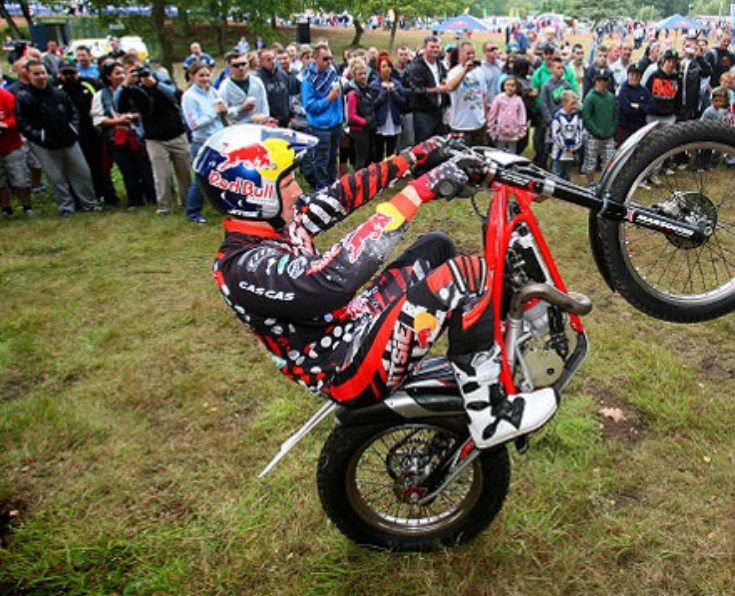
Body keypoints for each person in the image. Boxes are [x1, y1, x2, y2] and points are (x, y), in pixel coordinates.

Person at [195, 126, 557, 448]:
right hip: (344, 368)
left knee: (437, 246)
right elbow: (333, 278)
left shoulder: (277, 226)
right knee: (465, 275)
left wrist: (415, 156)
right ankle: (489, 416)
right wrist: (418, 191)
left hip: (353, 327)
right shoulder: (242, 267)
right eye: (286, 184)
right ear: (250, 194)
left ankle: (497, 351)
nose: (296, 192)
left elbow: (343, 194)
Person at [17, 60, 102, 218]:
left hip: (69, 140)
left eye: (43, 72)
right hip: (44, 145)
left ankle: (89, 203)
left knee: (82, 172)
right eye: (36, 73)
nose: (41, 76)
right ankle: (66, 207)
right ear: (28, 75)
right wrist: (39, 136)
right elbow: (23, 123)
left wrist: (73, 130)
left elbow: (73, 113)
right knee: (56, 178)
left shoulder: (58, 93)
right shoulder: (24, 97)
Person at [117, 65, 193, 215]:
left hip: (176, 134)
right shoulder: (134, 90)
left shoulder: (162, 81)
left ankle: (186, 202)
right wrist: (125, 85)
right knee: (161, 176)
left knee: (184, 173)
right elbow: (120, 105)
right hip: (154, 139)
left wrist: (155, 84)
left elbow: (175, 96)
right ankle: (165, 207)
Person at [91, 61, 155, 210]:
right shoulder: (101, 95)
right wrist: (117, 120)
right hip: (116, 137)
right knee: (127, 169)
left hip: (137, 134)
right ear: (108, 76)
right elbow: (98, 119)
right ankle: (134, 200)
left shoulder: (135, 90)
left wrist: (134, 116)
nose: (121, 76)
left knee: (145, 166)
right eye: (117, 73)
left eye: (123, 73)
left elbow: (146, 109)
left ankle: (152, 196)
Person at [56, 61, 118, 207]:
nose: (69, 76)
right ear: (60, 74)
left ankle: (106, 195)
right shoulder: (56, 88)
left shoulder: (90, 84)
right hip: (69, 135)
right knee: (74, 170)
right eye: (65, 73)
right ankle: (80, 199)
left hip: (92, 134)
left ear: (77, 72)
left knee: (99, 167)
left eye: (72, 72)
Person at [181, 61, 228, 223]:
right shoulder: (189, 97)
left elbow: (222, 113)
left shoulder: (213, 92)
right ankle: (193, 211)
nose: (205, 79)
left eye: (207, 75)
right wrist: (214, 113)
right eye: (201, 75)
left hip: (219, 140)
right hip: (202, 142)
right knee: (201, 178)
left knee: (221, 176)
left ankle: (223, 206)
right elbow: (193, 124)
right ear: (192, 76)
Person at [300, 44, 344, 189]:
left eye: (330, 58)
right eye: (325, 59)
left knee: (332, 158)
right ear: (315, 59)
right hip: (320, 126)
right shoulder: (308, 80)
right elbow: (310, 106)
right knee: (321, 160)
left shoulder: (332, 72)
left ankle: (332, 187)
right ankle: (322, 188)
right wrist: (328, 99)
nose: (329, 62)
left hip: (335, 123)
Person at [445, 41, 489, 147]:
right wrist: (465, 71)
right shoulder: (454, 72)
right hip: (461, 125)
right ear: (460, 54)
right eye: (468, 53)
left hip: (478, 124)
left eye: (473, 53)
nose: (471, 56)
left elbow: (483, 95)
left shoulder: (480, 72)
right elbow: (450, 87)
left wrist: (485, 116)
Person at [405, 36, 447, 144]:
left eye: (437, 47)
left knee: (439, 145)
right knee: (424, 145)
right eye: (432, 47)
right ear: (425, 47)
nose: (435, 50)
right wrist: (437, 90)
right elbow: (416, 90)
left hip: (438, 112)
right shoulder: (416, 67)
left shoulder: (440, 65)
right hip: (423, 113)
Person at [0, 84, 33, 216]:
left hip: (11, 144)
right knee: (0, 182)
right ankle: (6, 208)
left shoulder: (6, 96)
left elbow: (17, 118)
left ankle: (27, 206)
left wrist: (6, 124)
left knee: (20, 178)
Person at [581, 69, 617, 184]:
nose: (602, 83)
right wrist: (595, 130)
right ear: (595, 81)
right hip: (593, 135)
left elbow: (615, 114)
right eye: (599, 80)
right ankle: (590, 182)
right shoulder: (590, 97)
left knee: (609, 160)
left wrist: (613, 128)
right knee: (590, 159)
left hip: (608, 135)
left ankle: (605, 181)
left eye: (605, 80)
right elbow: (586, 117)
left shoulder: (611, 97)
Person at [370, 55, 407, 161]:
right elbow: (373, 105)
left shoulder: (397, 84)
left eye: (389, 66)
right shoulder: (374, 85)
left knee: (391, 151)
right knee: (378, 150)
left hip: (393, 120)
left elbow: (402, 103)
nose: (387, 69)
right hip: (380, 121)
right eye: (384, 66)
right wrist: (383, 93)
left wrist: (394, 92)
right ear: (379, 69)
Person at [218, 51, 271, 125]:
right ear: (229, 67)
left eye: (243, 64)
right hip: (238, 127)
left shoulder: (257, 81)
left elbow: (264, 105)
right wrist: (240, 108)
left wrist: (266, 118)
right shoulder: (225, 87)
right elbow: (222, 113)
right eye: (236, 65)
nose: (241, 68)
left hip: (258, 125)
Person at [344, 57, 375, 173]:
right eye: (360, 74)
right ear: (354, 75)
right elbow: (352, 115)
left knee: (366, 159)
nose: (363, 76)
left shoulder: (364, 89)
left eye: (364, 73)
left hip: (365, 129)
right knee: (360, 161)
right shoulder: (353, 92)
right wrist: (365, 121)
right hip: (358, 130)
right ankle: (356, 184)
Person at [550, 90, 585, 180]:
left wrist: (575, 146)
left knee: (567, 175)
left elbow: (579, 131)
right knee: (556, 174)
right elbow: (556, 134)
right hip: (559, 153)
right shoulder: (558, 117)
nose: (574, 106)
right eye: (572, 104)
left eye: (575, 104)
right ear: (564, 103)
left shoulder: (577, 116)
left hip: (571, 153)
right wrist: (565, 147)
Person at [486, 75, 526, 153]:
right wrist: (491, 130)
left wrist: (522, 131)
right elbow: (492, 115)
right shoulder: (499, 98)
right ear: (504, 86)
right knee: (499, 153)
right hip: (500, 132)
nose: (509, 88)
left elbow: (522, 116)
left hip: (513, 133)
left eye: (512, 85)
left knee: (511, 153)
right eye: (507, 85)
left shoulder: (518, 100)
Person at [617, 64, 652, 145]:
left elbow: (652, 107)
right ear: (628, 75)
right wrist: (643, 108)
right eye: (632, 74)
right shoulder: (623, 90)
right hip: (625, 129)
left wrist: (639, 107)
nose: (635, 77)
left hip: (640, 128)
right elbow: (627, 110)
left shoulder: (644, 91)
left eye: (638, 75)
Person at [645, 49, 681, 125]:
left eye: (674, 62)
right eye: (669, 61)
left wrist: (676, 113)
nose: (671, 64)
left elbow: (678, 97)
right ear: (664, 61)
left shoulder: (677, 78)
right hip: (653, 115)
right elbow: (646, 93)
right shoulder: (654, 76)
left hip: (669, 116)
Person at [257, 48, 291, 128]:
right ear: (261, 62)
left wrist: (290, 116)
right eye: (268, 60)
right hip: (269, 122)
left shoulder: (283, 75)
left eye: (273, 58)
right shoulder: (258, 79)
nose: (272, 62)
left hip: (285, 120)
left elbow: (288, 97)